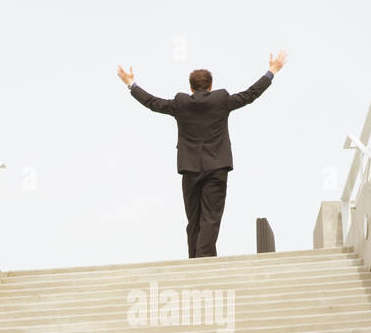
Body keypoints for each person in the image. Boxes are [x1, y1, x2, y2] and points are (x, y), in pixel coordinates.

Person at [117, 51, 287, 258]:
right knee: (210, 218)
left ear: (191, 87)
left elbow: (153, 102)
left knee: (194, 220)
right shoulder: (221, 100)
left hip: (190, 169)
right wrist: (272, 71)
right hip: (217, 168)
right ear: (210, 86)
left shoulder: (180, 103)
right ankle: (203, 262)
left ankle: (197, 261)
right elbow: (250, 94)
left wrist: (131, 84)